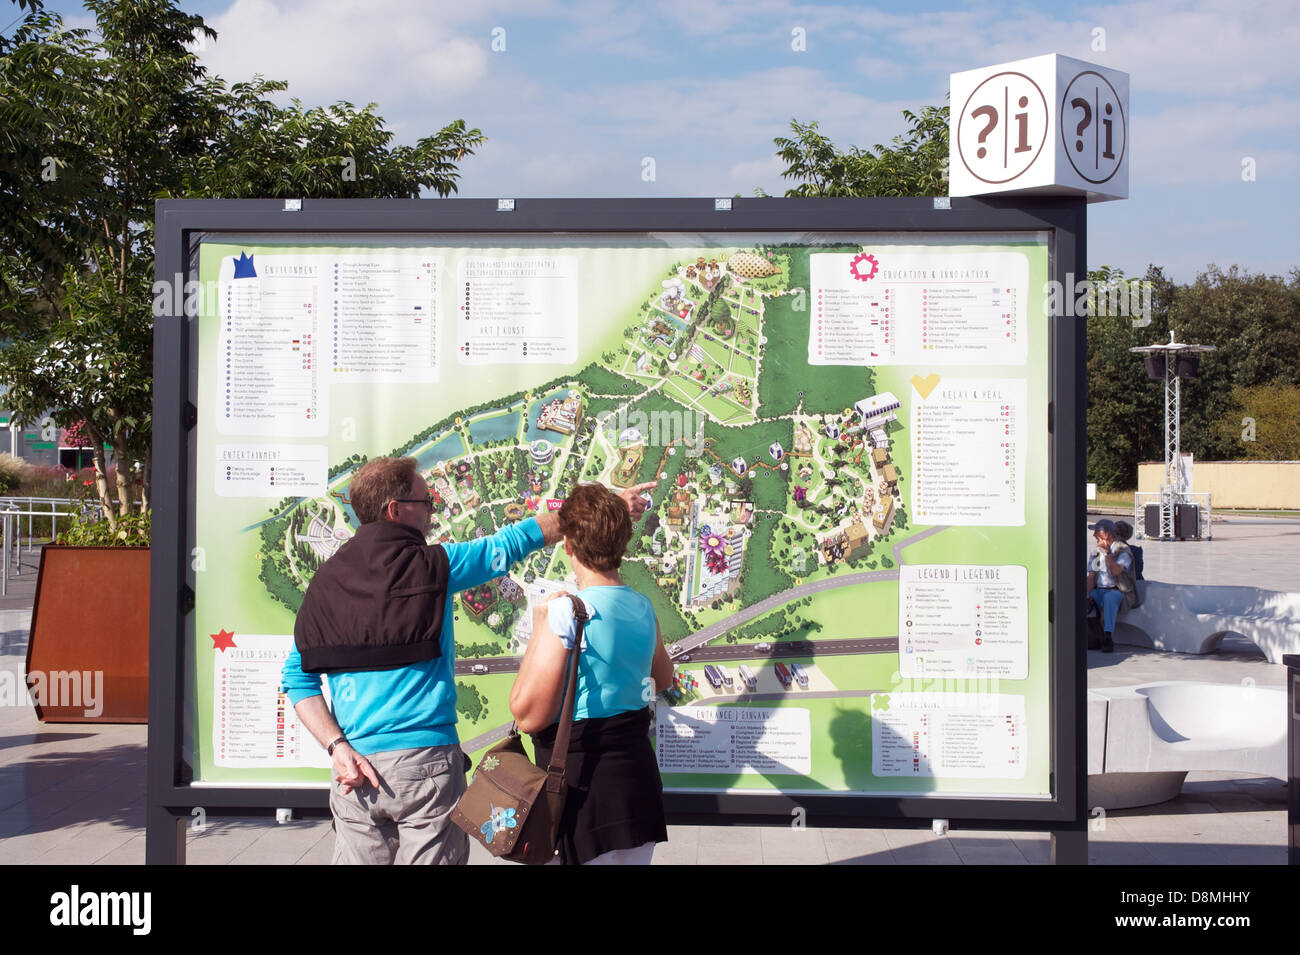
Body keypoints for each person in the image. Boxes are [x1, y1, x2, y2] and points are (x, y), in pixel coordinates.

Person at [282, 456, 652, 864]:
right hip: (426, 764)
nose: (432, 510)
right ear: (395, 510)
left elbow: (297, 679)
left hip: (353, 772)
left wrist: (337, 747)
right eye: (425, 502)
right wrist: (602, 510)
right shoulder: (434, 566)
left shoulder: (325, 585)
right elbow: (511, 542)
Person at [508, 482, 674, 865]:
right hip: (637, 787)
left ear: (568, 546)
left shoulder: (566, 612)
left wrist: (540, 628)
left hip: (581, 795)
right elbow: (662, 679)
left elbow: (527, 715)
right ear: (622, 544)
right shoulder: (642, 606)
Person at [1086, 518, 1134, 654]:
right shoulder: (1096, 553)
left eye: (1097, 532)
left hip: (1118, 592)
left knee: (1110, 598)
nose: (1094, 535)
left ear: (1106, 535)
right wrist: (1087, 594)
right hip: (1099, 591)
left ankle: (1108, 637)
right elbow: (1091, 575)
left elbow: (1116, 571)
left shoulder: (1123, 550)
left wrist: (1107, 554)